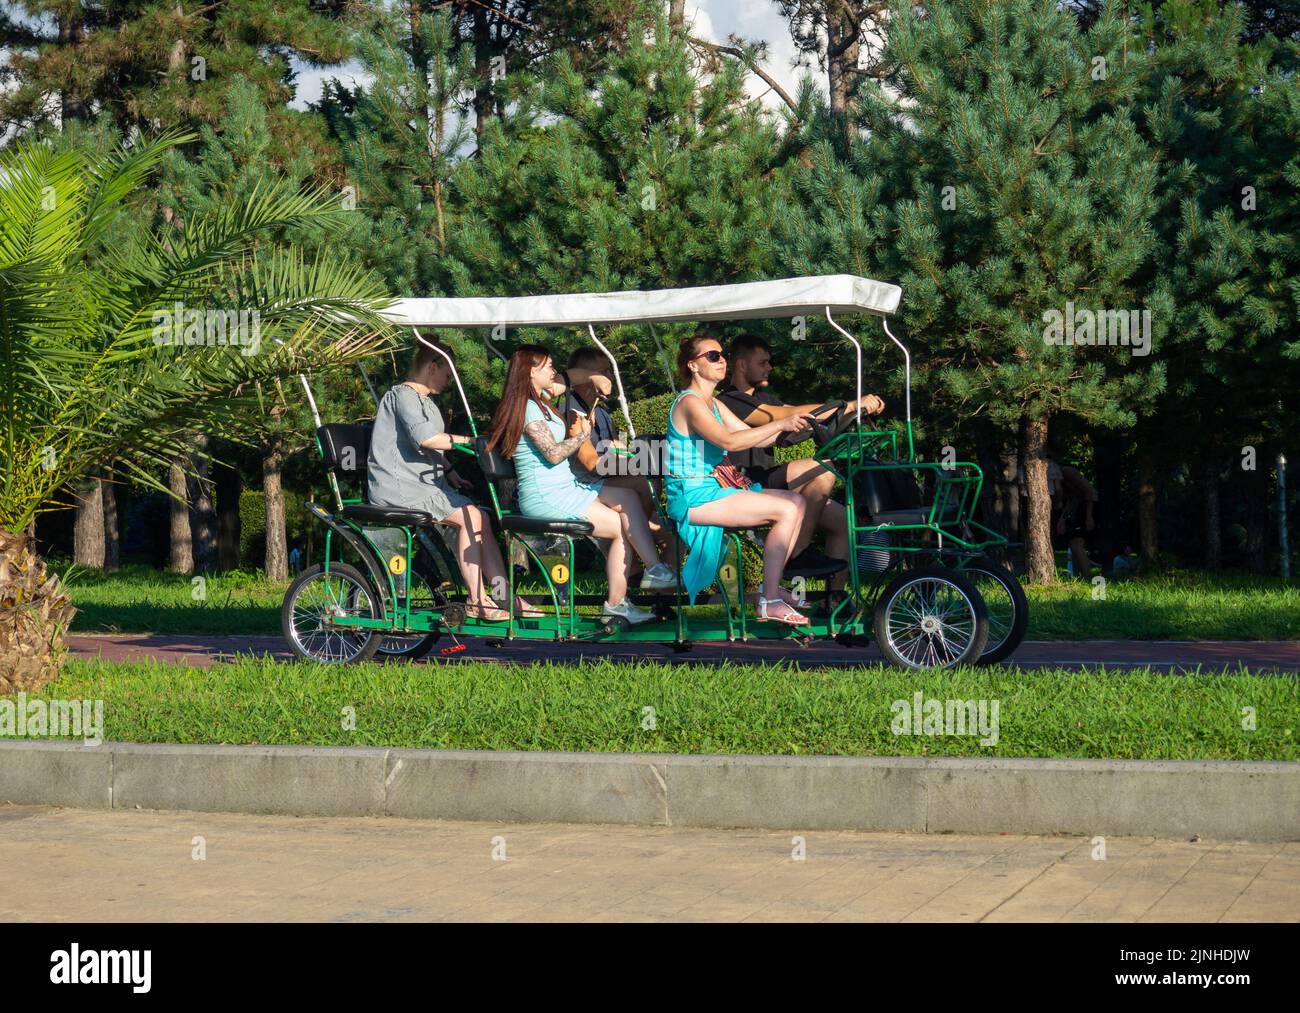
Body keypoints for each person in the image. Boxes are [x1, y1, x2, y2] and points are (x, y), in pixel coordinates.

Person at [486, 345, 676, 627]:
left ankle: (651, 572)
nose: (554, 371)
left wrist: (597, 379)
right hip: (547, 495)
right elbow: (552, 453)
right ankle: (623, 598)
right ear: (530, 372)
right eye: (548, 366)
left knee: (627, 495)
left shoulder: (543, 400)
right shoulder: (528, 409)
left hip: (566, 487)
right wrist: (581, 436)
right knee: (622, 526)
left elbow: (569, 377)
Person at [367, 341, 537, 622]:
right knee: (470, 517)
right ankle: (477, 600)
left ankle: (503, 596)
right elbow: (426, 439)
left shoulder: (426, 402)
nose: (449, 381)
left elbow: (426, 447)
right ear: (432, 366)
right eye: (448, 374)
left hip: (424, 485)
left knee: (480, 516)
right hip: (398, 487)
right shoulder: (404, 396)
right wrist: (468, 440)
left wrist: (449, 471)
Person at [717, 334, 886, 595]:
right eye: (762, 363)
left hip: (764, 479)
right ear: (741, 365)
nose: (769, 368)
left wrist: (850, 413)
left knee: (842, 520)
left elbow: (801, 414)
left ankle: (834, 598)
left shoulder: (765, 397)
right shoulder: (730, 400)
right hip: (741, 485)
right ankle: (796, 555)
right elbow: (783, 416)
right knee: (821, 469)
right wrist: (850, 404)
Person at [666, 334, 815, 625]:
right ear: (693, 366)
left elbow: (755, 441)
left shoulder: (713, 404)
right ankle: (770, 601)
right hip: (692, 496)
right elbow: (730, 442)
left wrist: (796, 425)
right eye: (712, 356)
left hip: (714, 491)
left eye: (721, 355)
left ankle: (768, 591)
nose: (721, 360)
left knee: (796, 501)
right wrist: (781, 423)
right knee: (786, 508)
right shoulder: (690, 402)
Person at [561, 347, 673, 553]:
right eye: (604, 372)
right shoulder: (570, 413)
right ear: (585, 377)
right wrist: (640, 464)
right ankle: (639, 543)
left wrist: (648, 457)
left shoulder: (602, 413)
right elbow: (592, 464)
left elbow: (617, 449)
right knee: (646, 482)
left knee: (673, 535)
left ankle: (652, 579)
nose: (609, 377)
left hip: (605, 485)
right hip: (581, 488)